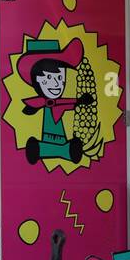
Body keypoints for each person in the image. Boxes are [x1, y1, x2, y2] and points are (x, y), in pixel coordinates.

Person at [18, 37, 91, 165]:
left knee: (55, 145)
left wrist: (80, 101)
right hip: (48, 138)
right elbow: (33, 105)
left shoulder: (58, 103)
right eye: (50, 77)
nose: (57, 83)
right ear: (37, 80)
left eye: (60, 77)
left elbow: (67, 103)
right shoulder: (42, 102)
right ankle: (62, 151)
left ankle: (59, 150)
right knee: (48, 143)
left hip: (59, 139)